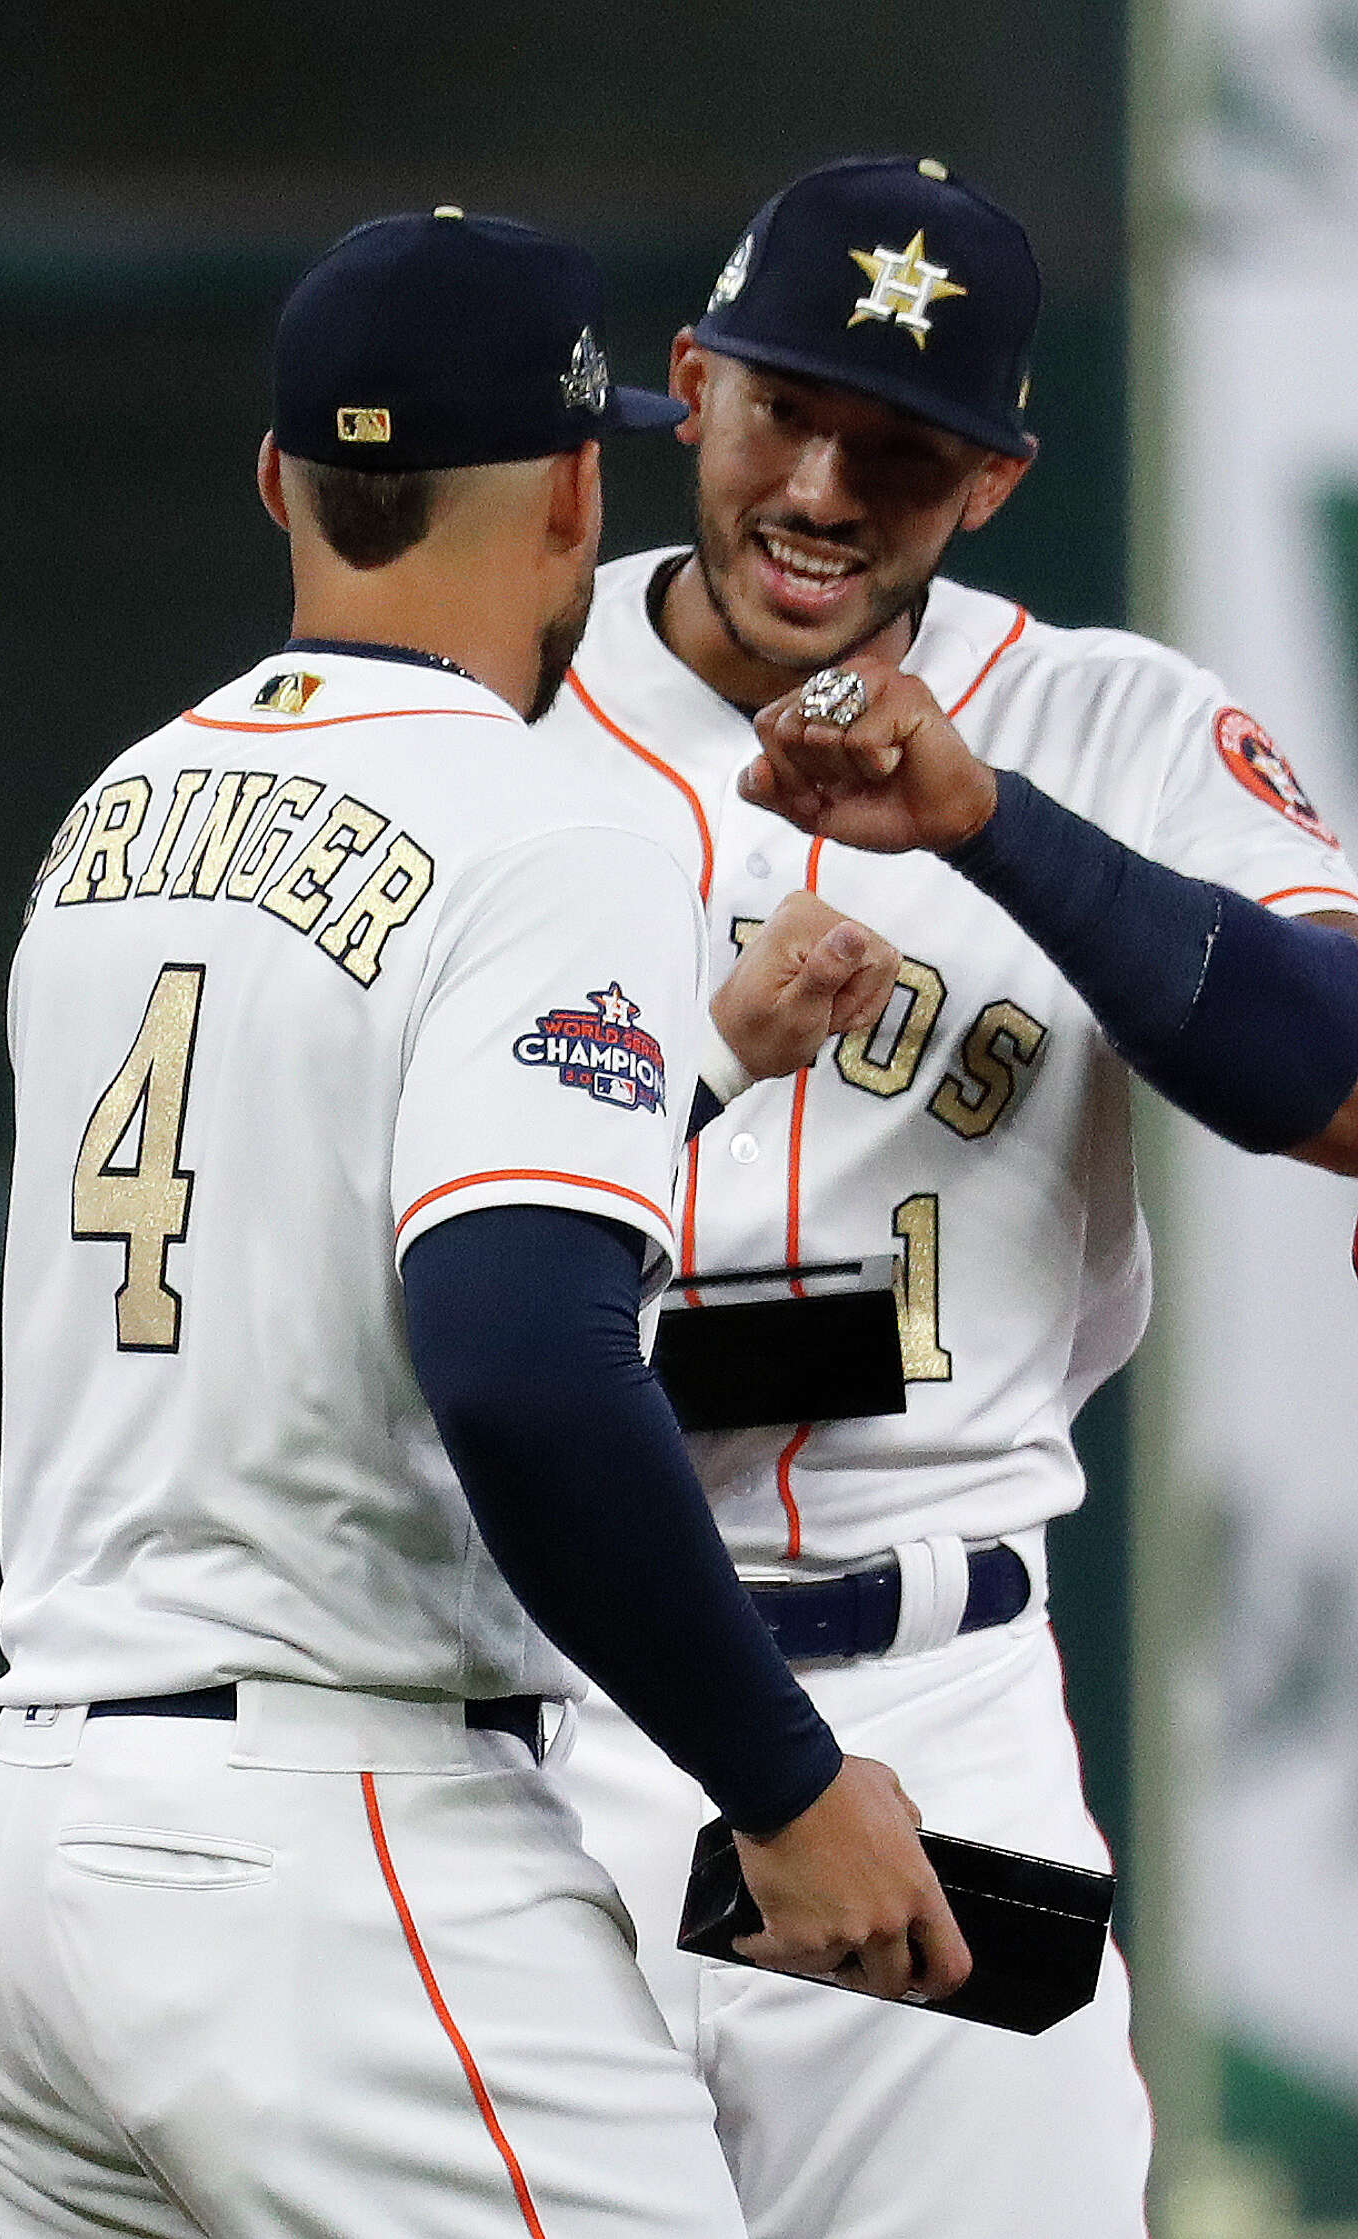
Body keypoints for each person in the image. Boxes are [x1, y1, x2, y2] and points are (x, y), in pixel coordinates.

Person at [0, 206, 970, 2239]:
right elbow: (516, 1363)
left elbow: (324, 1265)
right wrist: (786, 1780)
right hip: (334, 1858)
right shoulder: (546, 820)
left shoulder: (114, 817)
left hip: (30, 1866)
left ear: (278, 482)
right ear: (584, 491)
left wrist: (700, 1066)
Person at [540, 156, 1358, 2239]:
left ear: (993, 484)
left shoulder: (1107, 720)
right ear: (689, 384)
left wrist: (996, 826)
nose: (822, 487)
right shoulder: (504, 718)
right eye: (783, 413)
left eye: (899, 456)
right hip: (530, 1716)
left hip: (942, 1708)